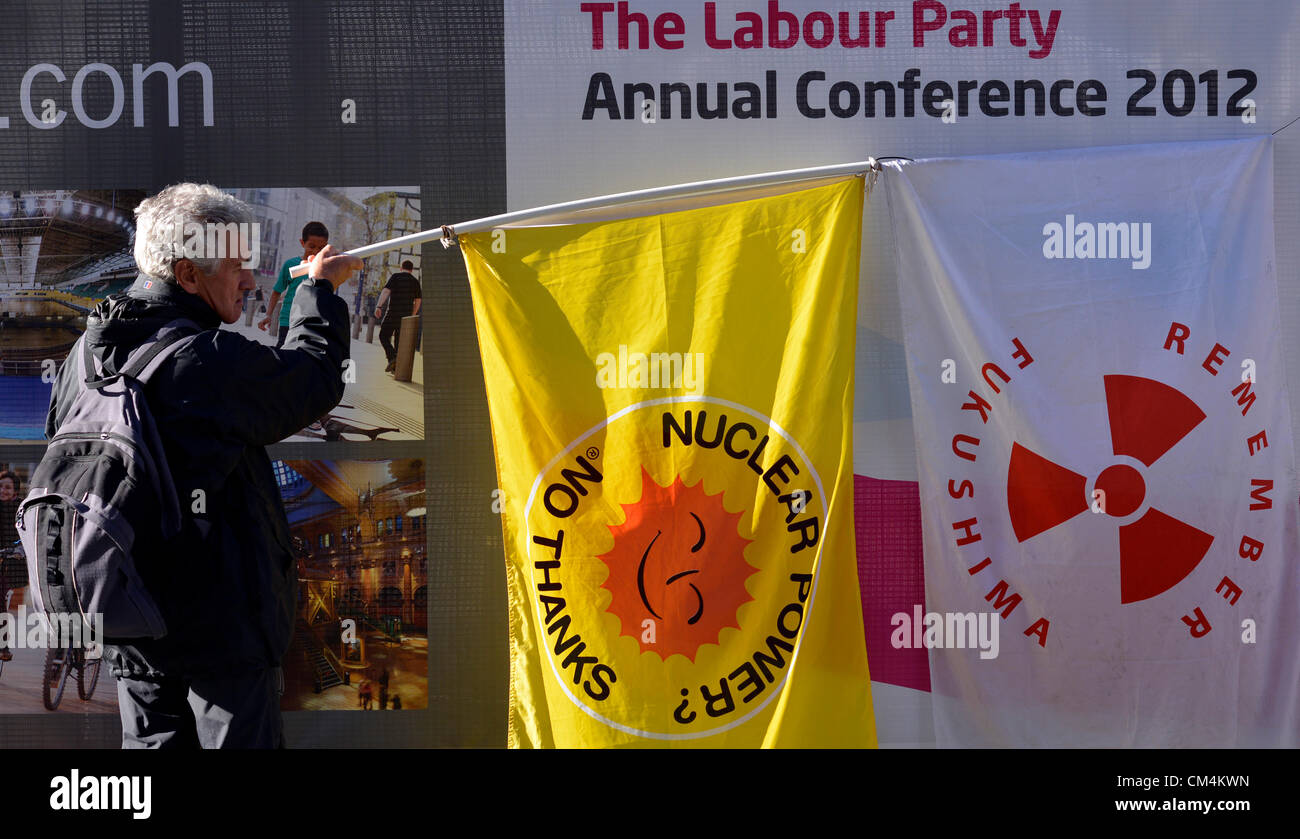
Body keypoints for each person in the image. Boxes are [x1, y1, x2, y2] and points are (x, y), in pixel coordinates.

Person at [45, 184, 361, 748]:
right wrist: (320, 289)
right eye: (239, 266)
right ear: (188, 275)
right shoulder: (202, 359)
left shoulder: (83, 355)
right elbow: (313, 377)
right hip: (225, 649)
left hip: (133, 630)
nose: (251, 280)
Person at [258, 221, 330, 348]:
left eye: (321, 248)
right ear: (302, 243)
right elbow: (276, 292)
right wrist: (268, 315)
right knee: (284, 351)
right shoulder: (291, 265)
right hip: (288, 320)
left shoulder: (326, 269)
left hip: (311, 322)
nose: (316, 252)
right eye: (311, 246)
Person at [373, 260, 422, 373]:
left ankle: (392, 358)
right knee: (399, 343)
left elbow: (386, 291)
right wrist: (412, 314)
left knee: (383, 336)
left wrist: (379, 306)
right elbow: (418, 301)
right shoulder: (415, 281)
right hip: (405, 317)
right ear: (411, 270)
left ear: (401, 268)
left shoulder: (395, 277)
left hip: (392, 313)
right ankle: (396, 367)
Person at [0, 470, 22, 662]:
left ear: (15, 492)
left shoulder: (20, 509)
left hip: (9, 564)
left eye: (7, 487)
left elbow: (25, 535)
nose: (3, 491)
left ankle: (3, 646)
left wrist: (18, 549)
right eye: (0, 487)